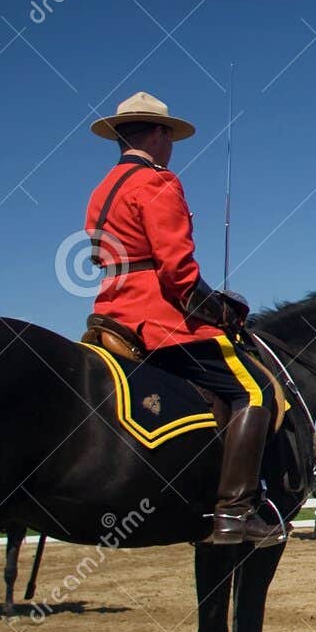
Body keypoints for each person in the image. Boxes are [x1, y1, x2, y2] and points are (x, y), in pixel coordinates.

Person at [86, 91, 284, 545]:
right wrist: (220, 309)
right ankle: (234, 512)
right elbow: (178, 274)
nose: (171, 146)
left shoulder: (101, 191)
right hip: (155, 317)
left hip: (109, 312)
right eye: (170, 137)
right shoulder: (157, 183)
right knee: (255, 390)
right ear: (159, 134)